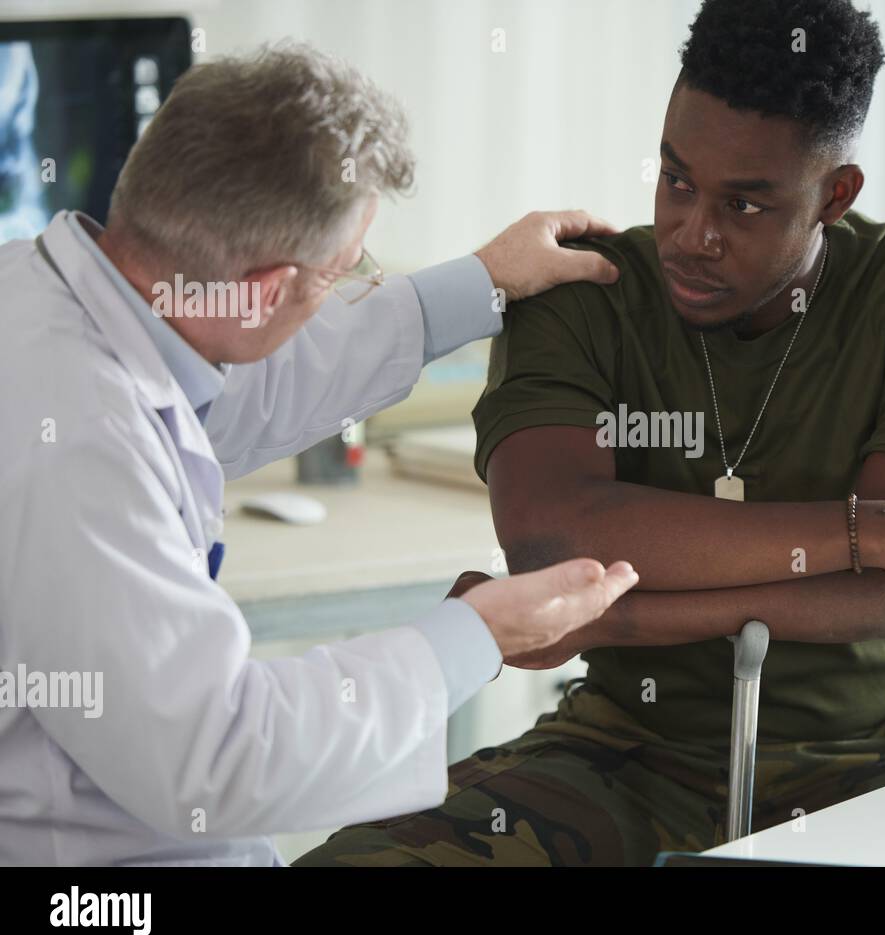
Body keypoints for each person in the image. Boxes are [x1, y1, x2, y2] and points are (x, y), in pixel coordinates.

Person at [299, 0, 885, 867]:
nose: (693, 234)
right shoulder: (586, 288)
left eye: (745, 206)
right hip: (615, 752)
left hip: (857, 766)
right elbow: (553, 543)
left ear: (835, 195)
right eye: (675, 179)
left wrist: (603, 621)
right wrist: (874, 532)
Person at [0, 41, 637, 866]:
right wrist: (475, 636)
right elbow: (221, 756)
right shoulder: (82, 448)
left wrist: (484, 280)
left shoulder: (52, 290)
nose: (345, 289)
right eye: (343, 273)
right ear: (265, 288)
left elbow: (235, 388)